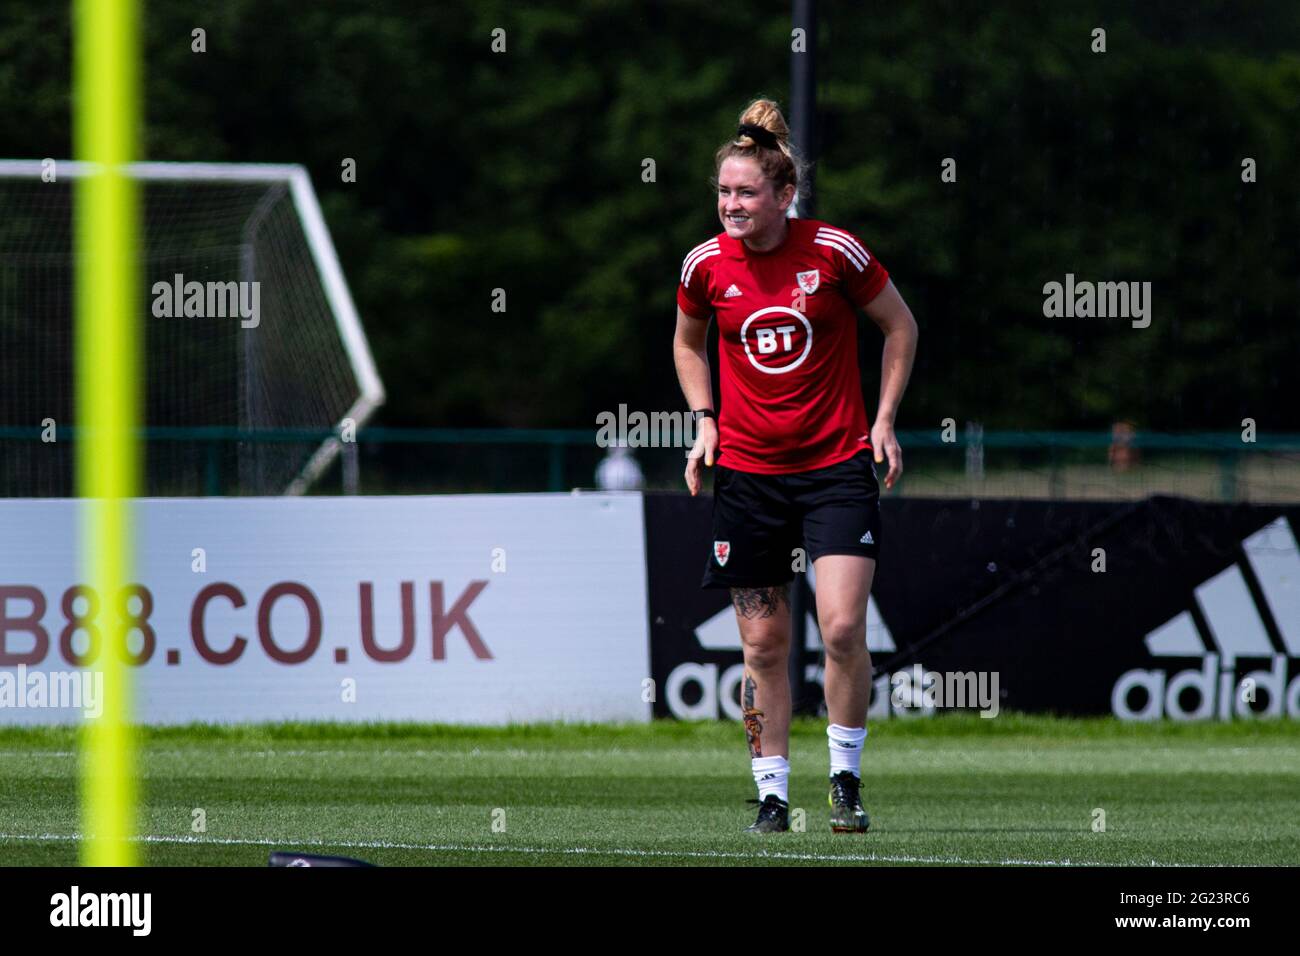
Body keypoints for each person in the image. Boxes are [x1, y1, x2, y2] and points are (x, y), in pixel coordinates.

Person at [672, 99, 918, 834]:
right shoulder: (704, 264)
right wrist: (704, 421)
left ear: (784, 195)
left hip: (836, 465)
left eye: (747, 193)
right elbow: (688, 345)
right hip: (747, 475)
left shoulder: (834, 251)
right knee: (763, 643)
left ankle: (845, 780)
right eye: (724, 192)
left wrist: (884, 420)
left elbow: (900, 325)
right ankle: (773, 794)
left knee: (842, 627)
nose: (732, 205)